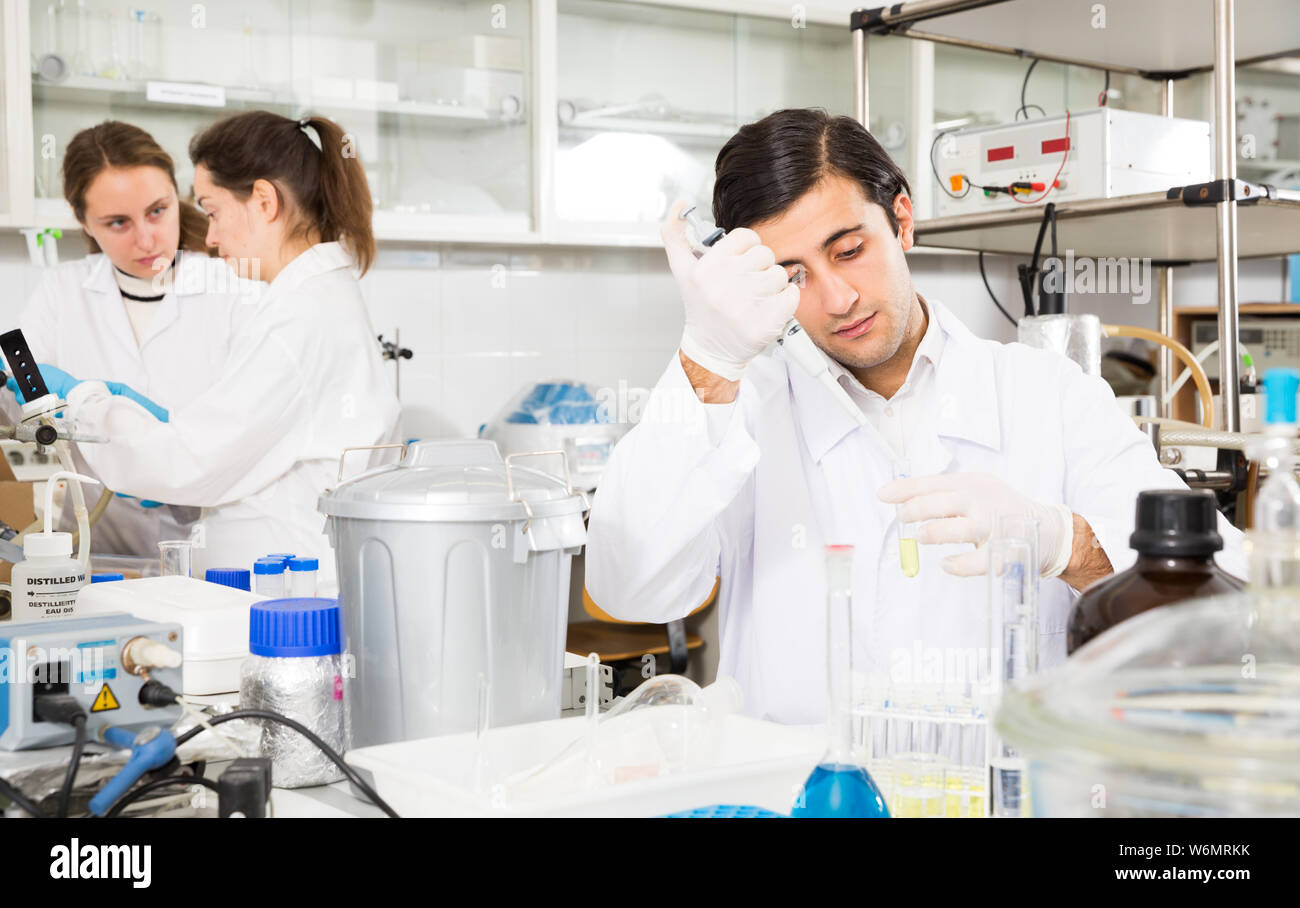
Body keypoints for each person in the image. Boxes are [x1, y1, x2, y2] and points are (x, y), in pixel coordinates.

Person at [584, 108, 1249, 724]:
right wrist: (706, 359)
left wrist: (1060, 542)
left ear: (902, 218)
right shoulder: (743, 406)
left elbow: (1227, 603)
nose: (838, 298)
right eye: (793, 275)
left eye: (848, 250)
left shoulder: (1046, 394)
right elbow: (633, 591)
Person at [52, 111, 399, 590]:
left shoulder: (298, 317)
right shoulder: (312, 299)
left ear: (262, 200)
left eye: (212, 212)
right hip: (286, 587)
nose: (210, 238)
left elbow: (187, 463)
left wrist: (84, 406)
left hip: (288, 596)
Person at [5, 121, 259, 556]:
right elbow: (16, 388)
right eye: (118, 222)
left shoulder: (235, 287)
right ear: (83, 220)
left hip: (209, 550)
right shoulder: (62, 290)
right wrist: (50, 398)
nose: (147, 239)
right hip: (93, 549)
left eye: (158, 210)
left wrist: (179, 451)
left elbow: (255, 424)